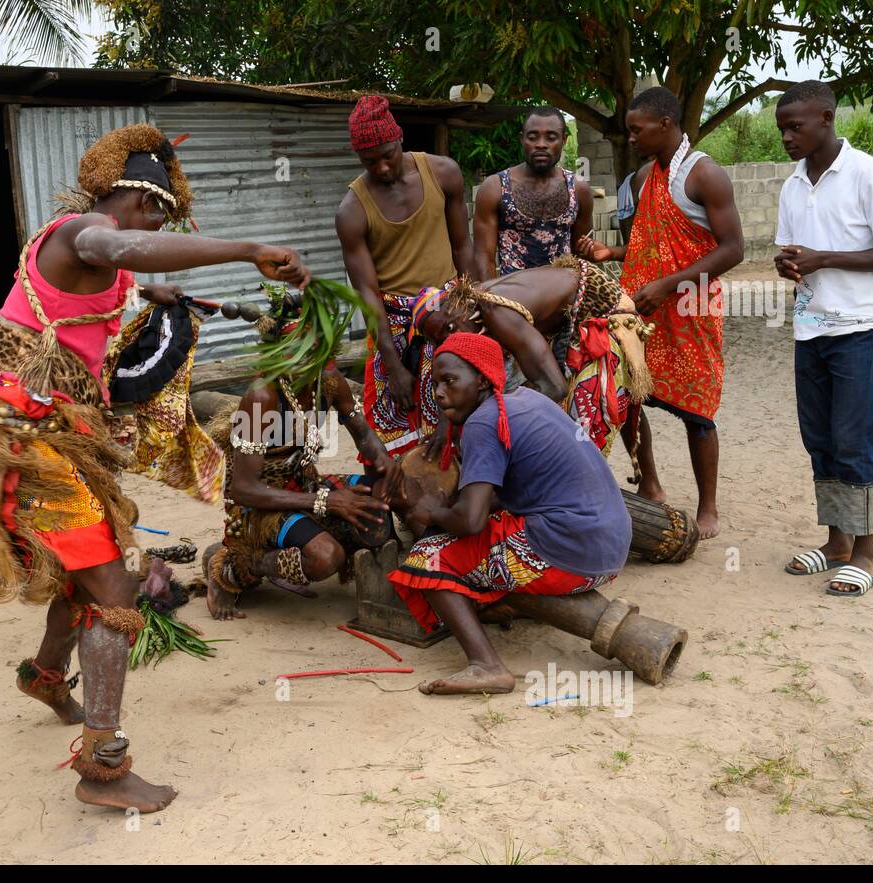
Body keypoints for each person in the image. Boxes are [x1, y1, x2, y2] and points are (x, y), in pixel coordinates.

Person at [0, 124, 309, 813]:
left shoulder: (105, 265)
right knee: (116, 585)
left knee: (95, 565)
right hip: (18, 439)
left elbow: (112, 286)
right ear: (125, 198)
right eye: (155, 211)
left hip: (52, 435)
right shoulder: (81, 232)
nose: (159, 223)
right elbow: (122, 248)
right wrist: (248, 249)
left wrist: (155, 297)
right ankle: (103, 766)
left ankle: (46, 674)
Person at [388, 333, 631, 695]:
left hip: (575, 557)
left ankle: (487, 665)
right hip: (611, 550)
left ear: (483, 379)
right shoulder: (524, 399)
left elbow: (471, 521)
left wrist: (431, 510)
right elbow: (503, 496)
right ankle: (497, 608)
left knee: (428, 557)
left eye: (450, 381)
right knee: (481, 536)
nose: (439, 393)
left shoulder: (483, 423)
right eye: (436, 383)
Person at [578, 87, 744, 539]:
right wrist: (610, 250)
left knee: (698, 411)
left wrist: (668, 285)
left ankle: (708, 507)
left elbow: (733, 250)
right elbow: (650, 245)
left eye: (637, 129)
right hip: (642, 306)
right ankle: (649, 481)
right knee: (632, 394)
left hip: (690, 309)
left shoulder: (705, 174)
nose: (630, 137)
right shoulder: (644, 178)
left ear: (665, 124)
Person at [774, 81, 873, 597]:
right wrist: (789, 264)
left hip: (858, 326)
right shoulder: (792, 184)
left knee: (854, 438)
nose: (787, 136)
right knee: (821, 439)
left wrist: (824, 258)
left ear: (827, 119)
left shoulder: (868, 174)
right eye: (782, 128)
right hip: (810, 326)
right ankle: (835, 543)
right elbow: (795, 252)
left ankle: (866, 553)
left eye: (796, 127)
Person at [203, 319, 397, 619]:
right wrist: (327, 502)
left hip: (306, 484)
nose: (307, 358)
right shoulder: (261, 398)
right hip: (262, 506)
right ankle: (234, 565)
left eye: (313, 349)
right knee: (326, 557)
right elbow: (243, 489)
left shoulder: (329, 381)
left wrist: (385, 465)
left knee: (385, 499)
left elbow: (364, 436)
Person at [336, 95, 474, 458]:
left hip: (450, 314)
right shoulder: (352, 210)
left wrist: (470, 309)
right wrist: (393, 365)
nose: (381, 168)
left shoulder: (443, 173)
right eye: (370, 161)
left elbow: (463, 248)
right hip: (393, 328)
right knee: (390, 439)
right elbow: (366, 291)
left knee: (462, 424)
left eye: (387, 155)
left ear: (399, 140)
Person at [411, 256, 653, 458]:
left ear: (457, 306)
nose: (453, 341)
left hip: (609, 321)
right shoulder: (470, 313)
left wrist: (492, 421)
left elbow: (553, 387)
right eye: (442, 340)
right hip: (572, 325)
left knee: (579, 440)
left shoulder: (495, 311)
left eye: (450, 329)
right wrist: (447, 423)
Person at [473, 106, 594, 278]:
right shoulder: (495, 188)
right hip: (513, 297)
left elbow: (583, 255)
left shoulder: (579, 189)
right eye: (532, 137)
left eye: (551, 138)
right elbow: (483, 256)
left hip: (563, 298)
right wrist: (491, 301)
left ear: (564, 140)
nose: (541, 144)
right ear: (522, 139)